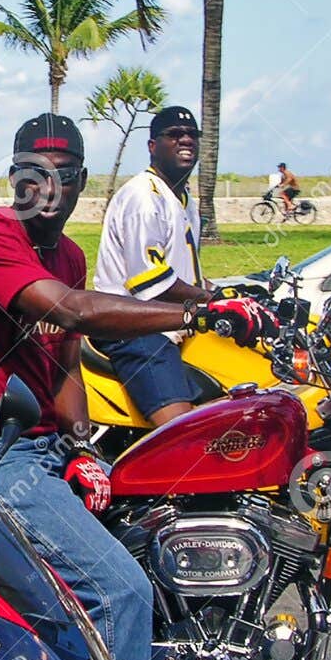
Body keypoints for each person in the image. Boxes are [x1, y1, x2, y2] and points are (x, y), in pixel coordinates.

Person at [0, 112, 274, 660]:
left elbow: (62, 362)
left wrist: (83, 448)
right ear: (14, 176)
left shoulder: (67, 254)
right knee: (119, 590)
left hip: (41, 444)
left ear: (82, 180)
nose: (47, 188)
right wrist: (200, 313)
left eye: (63, 175)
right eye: (33, 174)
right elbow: (74, 312)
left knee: (153, 528)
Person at [94, 106, 212, 427]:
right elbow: (152, 281)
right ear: (152, 146)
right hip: (135, 326)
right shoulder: (143, 196)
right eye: (174, 135)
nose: (185, 140)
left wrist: (233, 294)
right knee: (181, 430)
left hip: (171, 321)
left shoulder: (183, 199)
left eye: (192, 135)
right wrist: (210, 300)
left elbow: (184, 273)